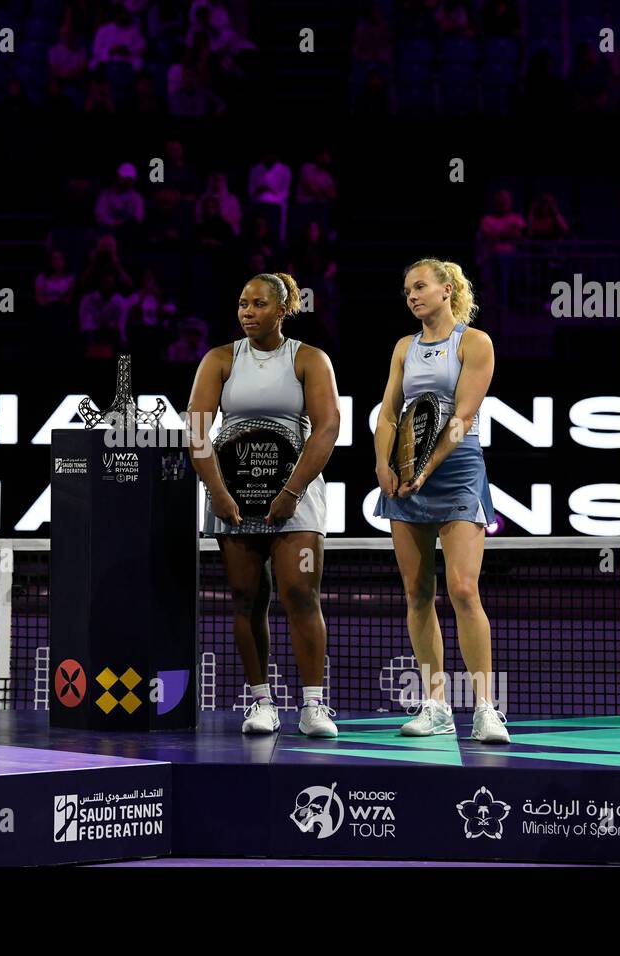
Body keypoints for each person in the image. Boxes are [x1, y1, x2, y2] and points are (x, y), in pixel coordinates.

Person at [187, 273, 341, 737]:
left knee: (299, 593)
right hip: (232, 498)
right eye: (242, 304)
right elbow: (196, 431)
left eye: (258, 304)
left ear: (282, 309)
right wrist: (218, 492)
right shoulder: (218, 360)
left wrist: (290, 492)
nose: (247, 312)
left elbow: (327, 427)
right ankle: (261, 702)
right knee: (245, 598)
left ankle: (313, 706)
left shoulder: (309, 359)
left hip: (295, 497)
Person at [373, 258, 508, 744]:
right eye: (407, 290)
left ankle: (487, 709)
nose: (412, 296)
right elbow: (389, 414)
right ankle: (435, 706)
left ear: (446, 289)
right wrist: (384, 464)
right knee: (416, 592)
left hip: (456, 471)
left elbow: (463, 417)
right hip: (406, 474)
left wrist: (425, 468)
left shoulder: (474, 343)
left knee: (464, 590)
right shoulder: (404, 347)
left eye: (420, 287)